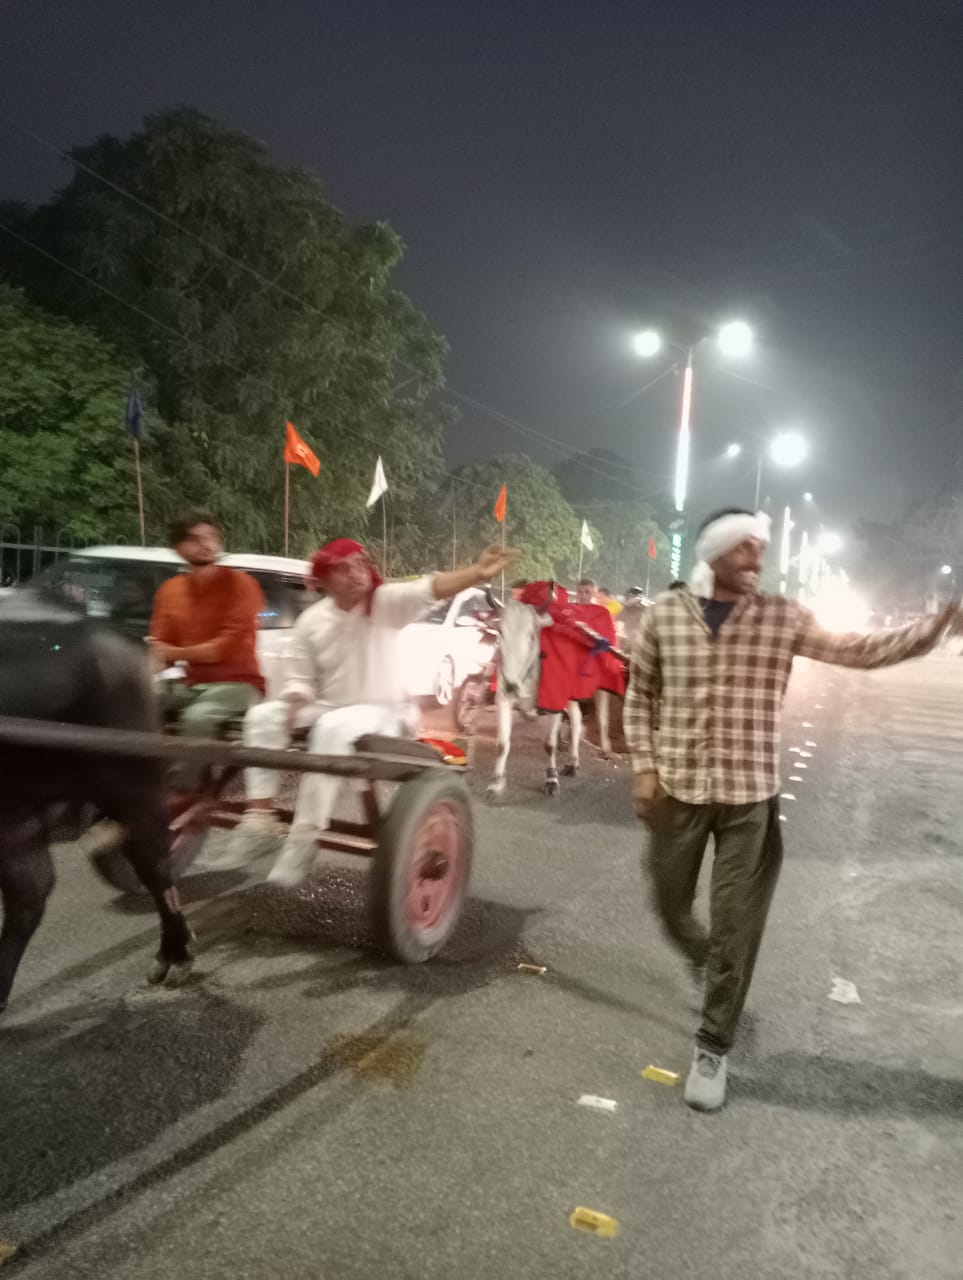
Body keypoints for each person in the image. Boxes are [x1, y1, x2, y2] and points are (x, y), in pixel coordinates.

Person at [624, 506, 961, 1113]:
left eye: (761, 548)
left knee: (738, 925)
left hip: (749, 795)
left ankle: (713, 1044)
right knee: (670, 906)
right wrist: (644, 768)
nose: (757, 560)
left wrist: (929, 631)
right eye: (744, 548)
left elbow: (857, 650)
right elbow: (639, 692)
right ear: (713, 553)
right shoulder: (665, 618)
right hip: (678, 789)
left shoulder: (782, 617)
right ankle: (704, 958)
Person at [220, 538, 515, 886]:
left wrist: (477, 572)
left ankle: (304, 838)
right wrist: (296, 698)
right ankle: (259, 818)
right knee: (262, 716)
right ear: (325, 579)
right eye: (344, 568)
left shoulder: (384, 603)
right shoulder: (311, 621)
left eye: (360, 564)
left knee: (331, 728)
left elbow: (428, 589)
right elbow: (301, 678)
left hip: (387, 711)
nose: (356, 574)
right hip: (332, 707)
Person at [149, 511, 265, 770]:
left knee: (196, 717)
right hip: (189, 684)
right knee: (138, 702)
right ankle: (140, 778)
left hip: (240, 685)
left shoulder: (241, 584)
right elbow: (159, 648)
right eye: (195, 539)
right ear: (179, 549)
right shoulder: (170, 590)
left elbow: (221, 650)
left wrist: (172, 652)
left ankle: (186, 790)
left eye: (211, 536)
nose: (206, 544)